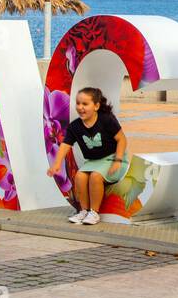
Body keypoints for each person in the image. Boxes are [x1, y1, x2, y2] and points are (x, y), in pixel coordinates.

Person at [46, 87, 130, 225]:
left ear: (96, 106)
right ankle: (84, 211)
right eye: (78, 103)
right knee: (79, 176)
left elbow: (122, 139)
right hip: (93, 161)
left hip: (112, 158)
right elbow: (65, 145)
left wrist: (118, 160)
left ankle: (94, 213)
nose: (80, 107)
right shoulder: (75, 126)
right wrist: (56, 164)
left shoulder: (107, 120)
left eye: (85, 104)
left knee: (96, 176)